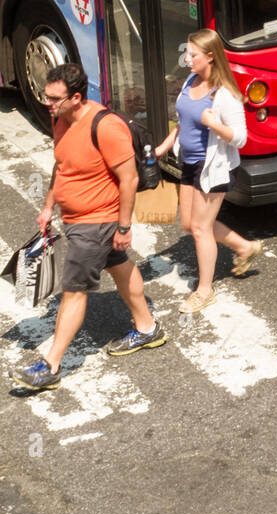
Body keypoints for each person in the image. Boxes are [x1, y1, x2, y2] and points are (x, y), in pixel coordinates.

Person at [14, 64, 164, 392]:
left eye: (54, 98)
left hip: (96, 222)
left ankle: (51, 366)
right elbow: (62, 165)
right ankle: (148, 327)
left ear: (77, 97)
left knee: (73, 289)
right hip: (76, 219)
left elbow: (129, 179)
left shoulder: (106, 128)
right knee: (120, 267)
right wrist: (48, 205)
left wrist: (123, 226)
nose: (46, 103)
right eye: (45, 95)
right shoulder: (60, 119)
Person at [154, 29, 260, 313]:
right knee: (189, 224)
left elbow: (240, 138)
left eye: (193, 55)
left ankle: (205, 290)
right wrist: (166, 144)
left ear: (210, 57)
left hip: (213, 169)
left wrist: (214, 125)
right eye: (187, 53)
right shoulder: (191, 80)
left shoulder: (225, 95)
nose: (187, 59)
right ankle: (244, 247)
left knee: (201, 228)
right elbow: (182, 121)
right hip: (188, 163)